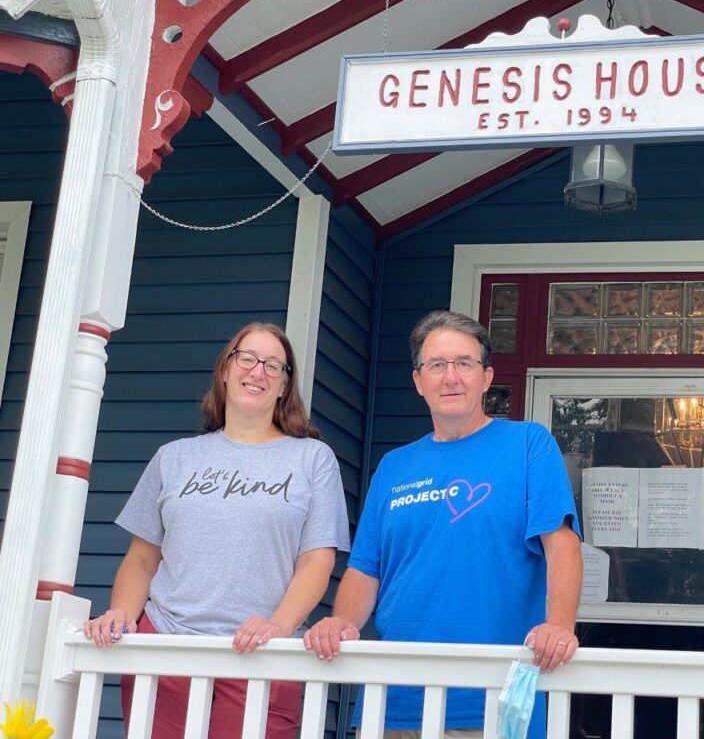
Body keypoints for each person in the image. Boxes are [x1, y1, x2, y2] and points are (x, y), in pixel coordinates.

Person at [304, 310, 583, 739]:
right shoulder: (394, 466)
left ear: (486, 377)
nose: (451, 376)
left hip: (495, 699)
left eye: (464, 363)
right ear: (419, 381)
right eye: (437, 364)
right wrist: (343, 622)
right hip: (392, 701)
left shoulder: (528, 445)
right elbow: (365, 568)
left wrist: (560, 626)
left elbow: (561, 544)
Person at [84, 322, 350, 739]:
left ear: (284, 386)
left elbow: (317, 559)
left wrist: (278, 627)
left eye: (273, 365)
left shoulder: (312, 459)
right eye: (246, 358)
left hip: (262, 650)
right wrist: (121, 612)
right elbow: (141, 559)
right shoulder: (173, 458)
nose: (257, 371)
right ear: (225, 371)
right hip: (165, 643)